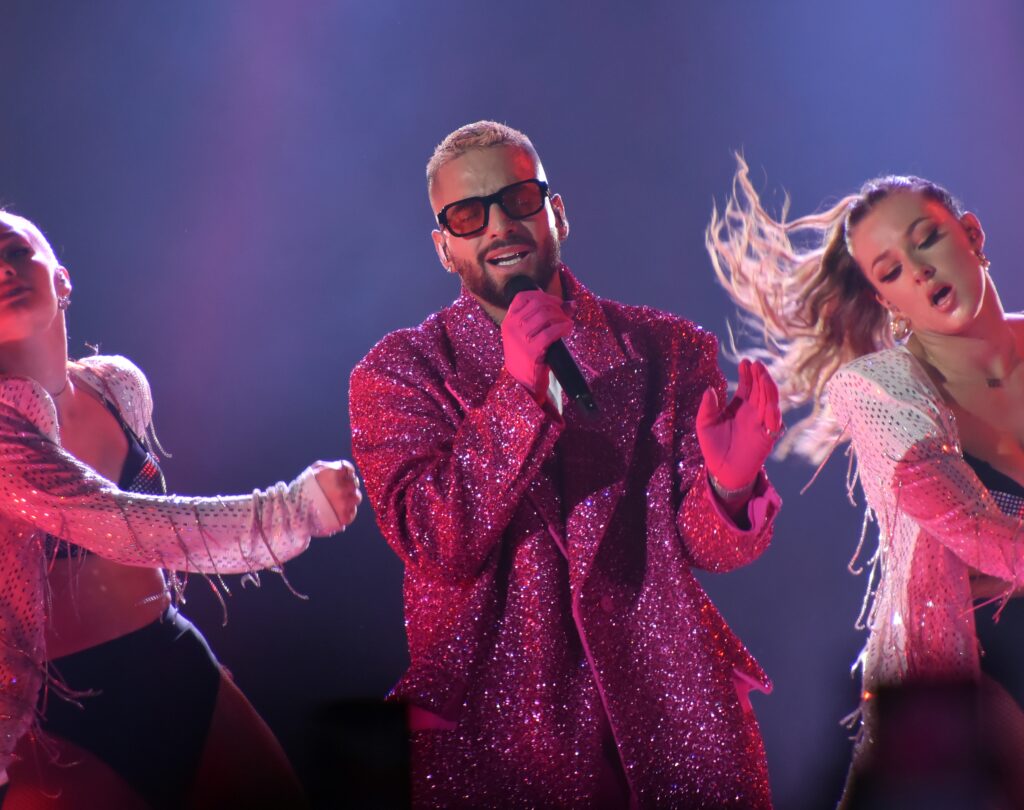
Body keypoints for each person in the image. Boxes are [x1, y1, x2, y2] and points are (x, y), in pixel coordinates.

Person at [349, 121, 784, 808]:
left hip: (674, 731)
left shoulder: (667, 350)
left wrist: (730, 486)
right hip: (502, 748)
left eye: (519, 198)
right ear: (444, 248)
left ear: (557, 211)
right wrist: (519, 394)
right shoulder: (401, 372)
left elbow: (705, 549)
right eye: (468, 214)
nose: (498, 225)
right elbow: (435, 541)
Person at [0, 210, 362, 809]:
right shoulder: (7, 432)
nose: (4, 271)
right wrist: (291, 511)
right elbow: (124, 524)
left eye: (14, 250)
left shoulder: (116, 385)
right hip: (62, 723)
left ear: (62, 279)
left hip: (173, 663)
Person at [707, 156, 1024, 805]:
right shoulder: (876, 390)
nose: (921, 269)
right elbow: (977, 533)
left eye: (928, 238)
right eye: (891, 270)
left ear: (973, 234)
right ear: (886, 299)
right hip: (976, 689)